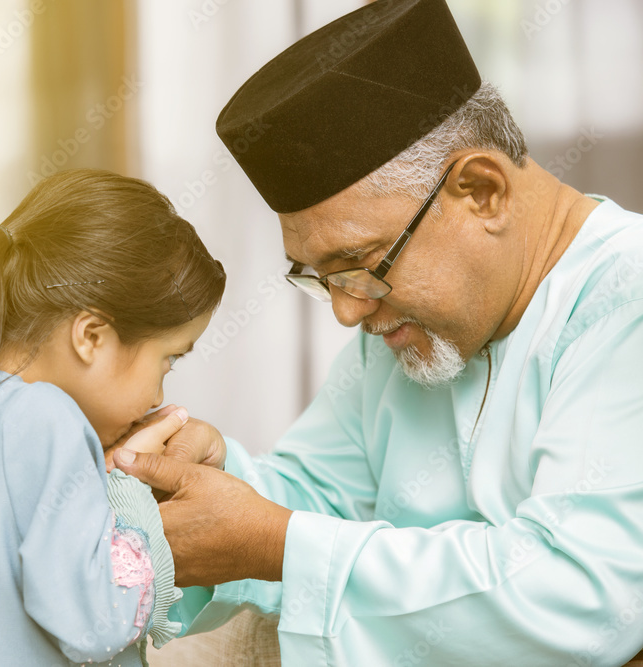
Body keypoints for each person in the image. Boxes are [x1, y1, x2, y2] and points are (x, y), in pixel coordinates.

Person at [112, 1, 643, 665]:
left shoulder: (626, 298)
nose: (346, 313)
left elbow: (578, 596)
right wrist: (208, 480)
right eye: (320, 277)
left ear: (482, 191)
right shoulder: (400, 329)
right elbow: (321, 500)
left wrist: (278, 542)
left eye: (360, 265)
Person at [0, 169, 227, 666]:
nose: (160, 395)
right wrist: (128, 483)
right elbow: (98, 626)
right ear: (90, 336)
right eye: (168, 359)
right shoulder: (48, 419)